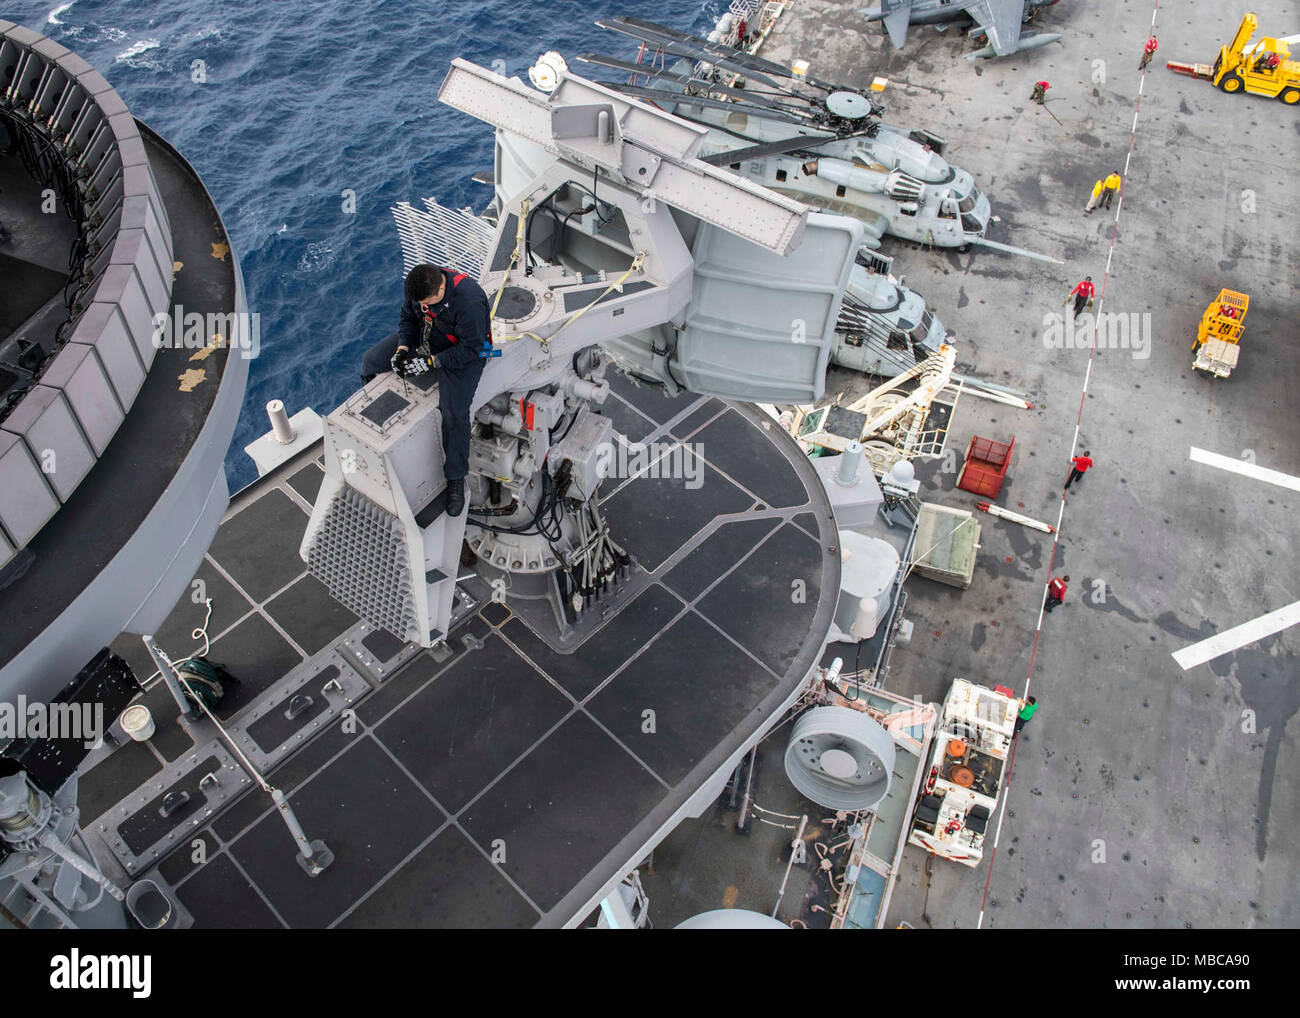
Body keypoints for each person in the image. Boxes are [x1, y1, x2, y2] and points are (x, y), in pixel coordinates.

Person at [360, 264, 492, 516]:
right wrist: (402, 350)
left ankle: (455, 477)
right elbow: (408, 319)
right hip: (427, 340)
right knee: (371, 361)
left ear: (440, 288)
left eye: (426, 302)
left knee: (454, 412)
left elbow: (471, 349)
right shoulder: (418, 288)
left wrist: (431, 362)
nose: (422, 305)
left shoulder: (469, 300)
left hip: (461, 355)